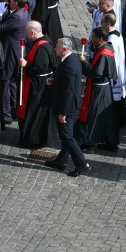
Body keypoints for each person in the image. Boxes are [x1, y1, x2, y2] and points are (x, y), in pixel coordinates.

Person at [45, 36, 90, 177]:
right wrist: (55, 80)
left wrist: (63, 112)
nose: (55, 49)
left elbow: (69, 92)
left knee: (67, 136)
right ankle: (61, 161)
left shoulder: (69, 65)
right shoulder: (70, 60)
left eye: (57, 47)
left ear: (64, 49)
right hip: (68, 105)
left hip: (67, 108)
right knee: (66, 135)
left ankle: (81, 164)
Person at [77, 27, 118, 151]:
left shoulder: (103, 53)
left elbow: (97, 73)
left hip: (98, 90)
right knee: (104, 117)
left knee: (93, 116)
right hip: (103, 89)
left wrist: (84, 63)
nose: (92, 39)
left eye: (94, 37)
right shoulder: (104, 49)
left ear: (100, 39)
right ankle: (108, 141)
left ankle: (89, 142)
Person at [18, 20, 57, 149]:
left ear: (33, 33)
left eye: (27, 33)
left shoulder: (42, 47)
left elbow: (40, 68)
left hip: (38, 85)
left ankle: (33, 139)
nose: (26, 35)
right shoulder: (44, 42)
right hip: (39, 82)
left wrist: (26, 65)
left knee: (34, 112)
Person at [0, 0, 29, 126]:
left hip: (10, 52)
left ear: (16, 3)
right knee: (13, 82)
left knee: (6, 82)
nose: (9, 1)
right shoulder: (23, 13)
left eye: (11, 0)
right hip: (16, 50)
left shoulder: (16, 16)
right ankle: (14, 109)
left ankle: (6, 114)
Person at [101, 12, 126, 137]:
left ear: (107, 24)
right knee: (120, 98)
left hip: (114, 71)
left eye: (102, 22)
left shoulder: (110, 39)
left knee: (115, 99)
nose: (101, 24)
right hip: (120, 69)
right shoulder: (117, 33)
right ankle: (122, 120)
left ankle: (116, 122)